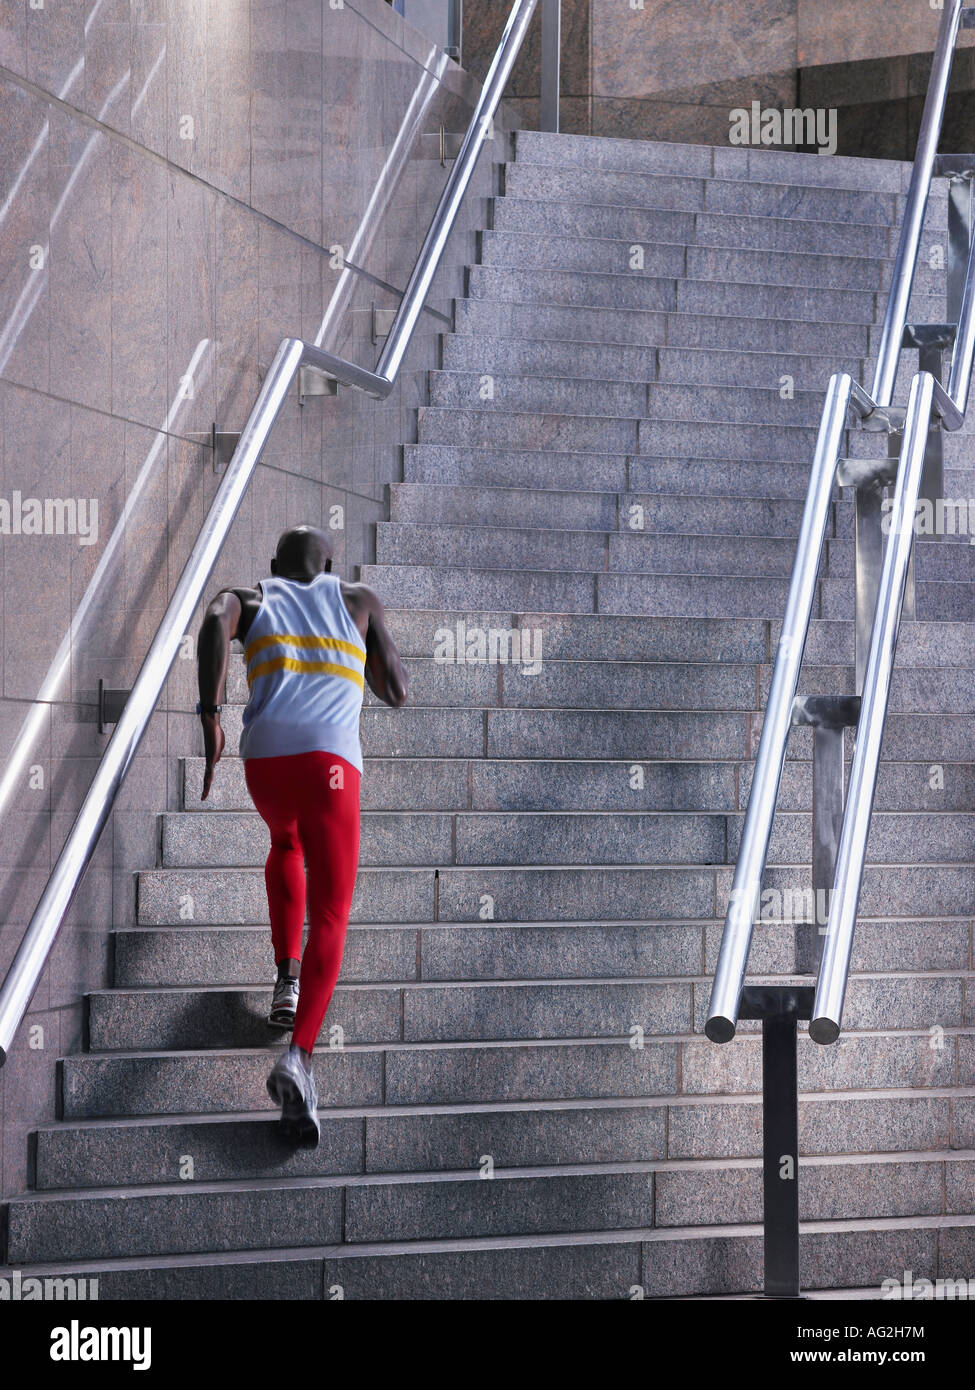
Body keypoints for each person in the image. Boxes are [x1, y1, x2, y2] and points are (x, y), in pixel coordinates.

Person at [196, 525, 408, 1147]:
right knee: (334, 912)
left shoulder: (252, 597)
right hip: (330, 768)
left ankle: (286, 979)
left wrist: (209, 718)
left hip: (266, 765)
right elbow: (396, 690)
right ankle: (301, 1058)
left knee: (285, 845)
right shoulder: (356, 598)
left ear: (273, 564)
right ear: (330, 565)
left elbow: (214, 619)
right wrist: (365, 646)